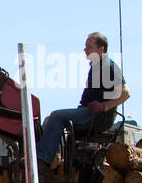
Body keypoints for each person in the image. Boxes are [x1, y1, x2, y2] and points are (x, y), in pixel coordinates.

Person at [35, 32, 130, 173]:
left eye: (89, 46)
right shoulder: (97, 67)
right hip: (89, 113)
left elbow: (125, 93)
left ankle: (42, 161)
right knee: (49, 120)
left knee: (56, 116)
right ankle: (45, 156)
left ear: (101, 49)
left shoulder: (108, 67)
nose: (85, 50)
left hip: (96, 118)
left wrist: (104, 106)